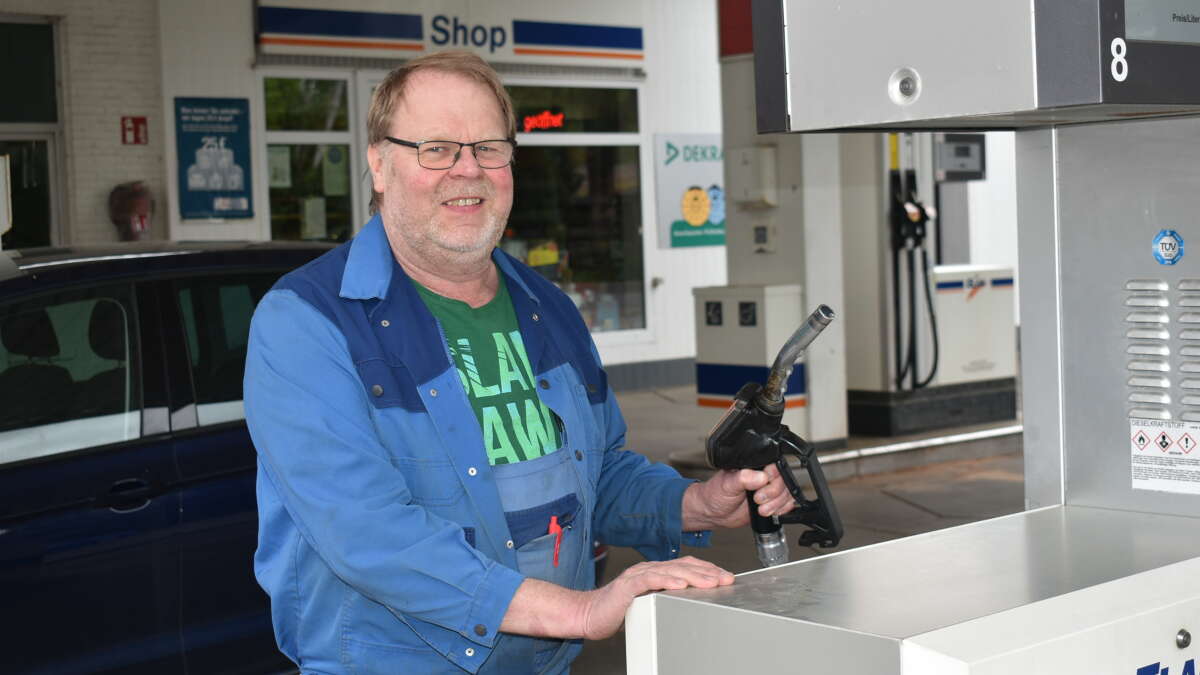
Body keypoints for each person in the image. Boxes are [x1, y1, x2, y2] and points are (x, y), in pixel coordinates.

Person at [244, 50, 797, 674]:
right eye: (436, 148)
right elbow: (366, 533)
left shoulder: (547, 309)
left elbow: (600, 474)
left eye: (488, 147)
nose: (467, 170)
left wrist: (695, 503)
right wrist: (579, 612)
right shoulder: (307, 322)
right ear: (379, 164)